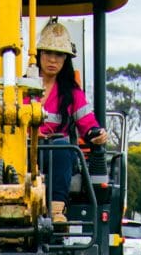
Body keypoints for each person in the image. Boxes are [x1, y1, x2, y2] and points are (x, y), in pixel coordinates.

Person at [36, 19, 106, 226]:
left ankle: (58, 211)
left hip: (56, 154)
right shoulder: (22, 88)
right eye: (48, 53)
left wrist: (97, 133)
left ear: (66, 59)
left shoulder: (72, 93)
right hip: (25, 151)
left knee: (61, 146)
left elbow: (88, 124)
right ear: (38, 54)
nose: (53, 60)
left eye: (59, 55)